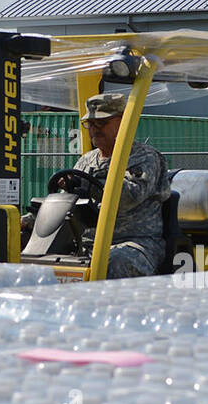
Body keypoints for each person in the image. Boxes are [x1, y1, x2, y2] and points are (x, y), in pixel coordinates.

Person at [70, 92, 172, 278]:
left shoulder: (144, 157)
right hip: (89, 243)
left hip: (135, 244)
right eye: (90, 124)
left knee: (114, 261)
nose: (94, 129)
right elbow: (67, 202)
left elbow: (129, 196)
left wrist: (91, 186)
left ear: (123, 122)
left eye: (101, 123)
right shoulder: (86, 161)